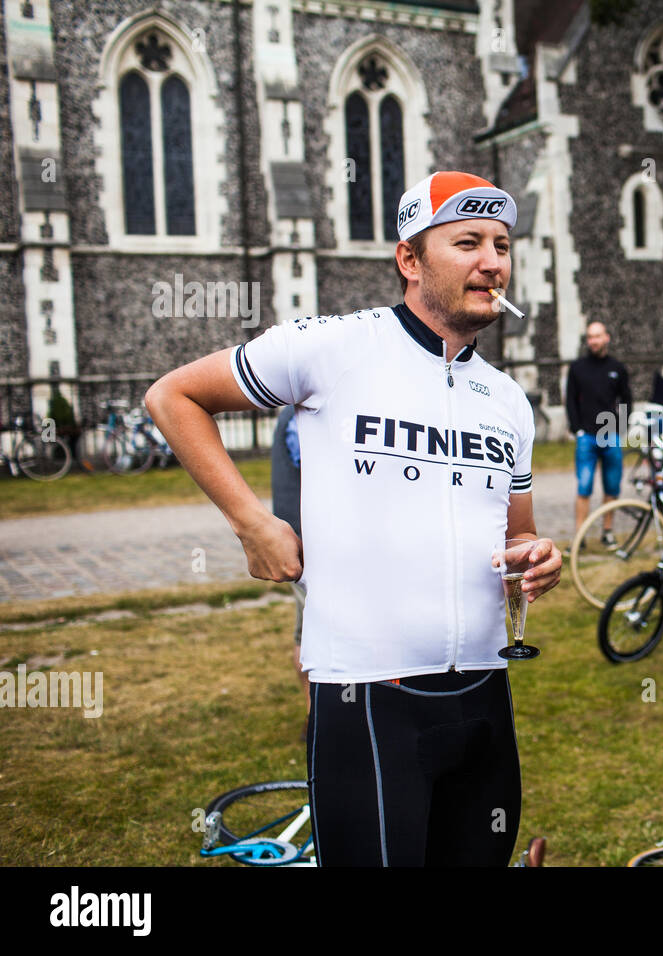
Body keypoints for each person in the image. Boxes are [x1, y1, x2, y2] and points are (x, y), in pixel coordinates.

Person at [145, 170, 562, 867]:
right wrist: (251, 521)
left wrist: (536, 555)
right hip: (367, 700)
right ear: (409, 259)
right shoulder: (334, 348)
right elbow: (173, 396)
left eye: (501, 243)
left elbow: (517, 535)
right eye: (467, 242)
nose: (493, 262)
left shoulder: (508, 400)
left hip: (485, 699)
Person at [565, 320, 632, 543]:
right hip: (587, 438)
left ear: (606, 338)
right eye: (590, 337)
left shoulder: (617, 368)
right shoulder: (577, 368)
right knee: (584, 487)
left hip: (610, 436)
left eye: (597, 336)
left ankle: (608, 532)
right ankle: (580, 537)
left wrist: (621, 427)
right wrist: (577, 430)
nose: (593, 341)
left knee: (612, 487)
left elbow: (627, 399)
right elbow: (571, 401)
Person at [270, 404, 311, 740]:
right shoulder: (300, 414)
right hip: (306, 542)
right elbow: (311, 461)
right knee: (313, 630)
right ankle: (317, 715)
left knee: (306, 628)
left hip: (303, 538)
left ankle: (317, 714)